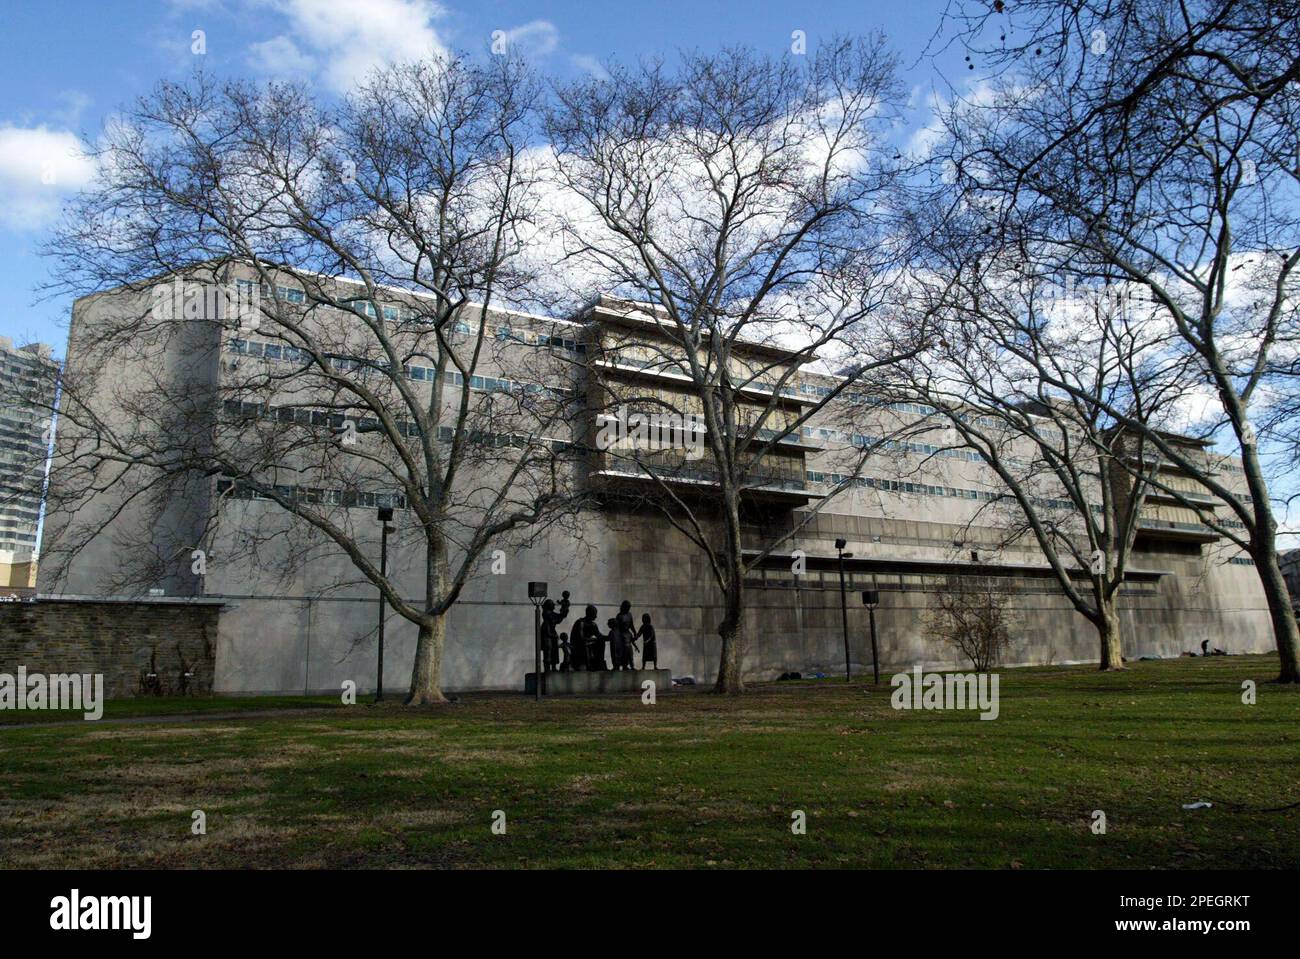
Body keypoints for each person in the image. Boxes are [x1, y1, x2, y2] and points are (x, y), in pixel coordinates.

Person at [615, 600, 637, 670]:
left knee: (630, 651)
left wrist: (635, 632)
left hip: (628, 634)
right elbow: (616, 627)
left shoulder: (629, 615)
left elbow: (631, 625)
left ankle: (631, 665)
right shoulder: (619, 616)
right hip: (621, 635)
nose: (628, 609)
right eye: (627, 607)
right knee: (624, 651)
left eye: (629, 607)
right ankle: (624, 665)